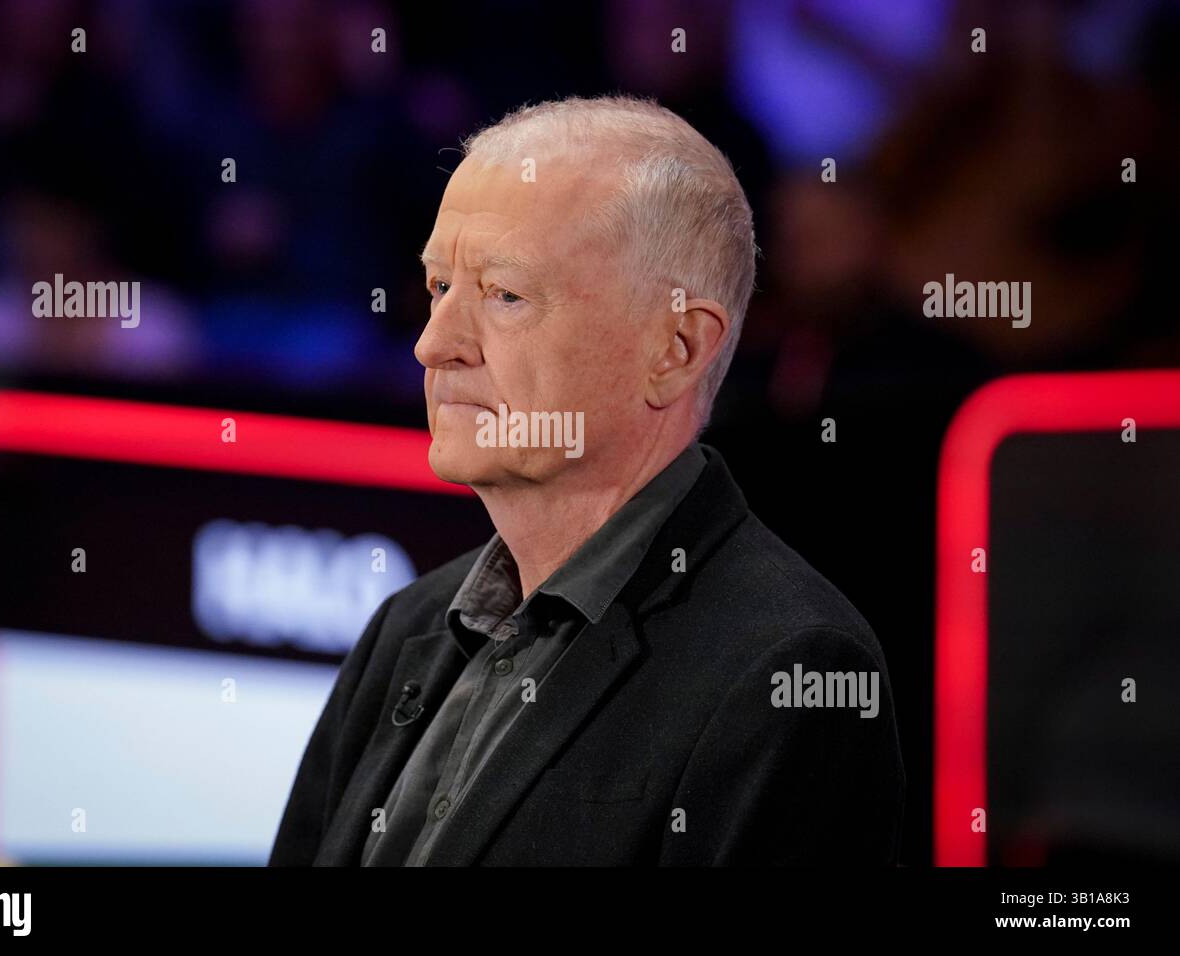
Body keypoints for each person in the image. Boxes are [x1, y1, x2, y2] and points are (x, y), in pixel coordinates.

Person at [270, 94, 904, 866]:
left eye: (505, 294)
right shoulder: (408, 625)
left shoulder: (787, 670)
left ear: (674, 348)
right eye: (440, 288)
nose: (435, 345)